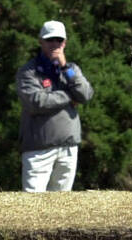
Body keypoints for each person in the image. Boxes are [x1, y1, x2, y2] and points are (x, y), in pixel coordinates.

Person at [17, 20, 94, 191]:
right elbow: (36, 102)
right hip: (39, 149)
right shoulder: (28, 71)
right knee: (32, 204)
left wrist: (66, 68)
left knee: (61, 206)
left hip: (68, 147)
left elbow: (85, 94)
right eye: (50, 39)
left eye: (59, 40)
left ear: (64, 43)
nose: (54, 44)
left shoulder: (71, 69)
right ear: (41, 41)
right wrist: (68, 96)